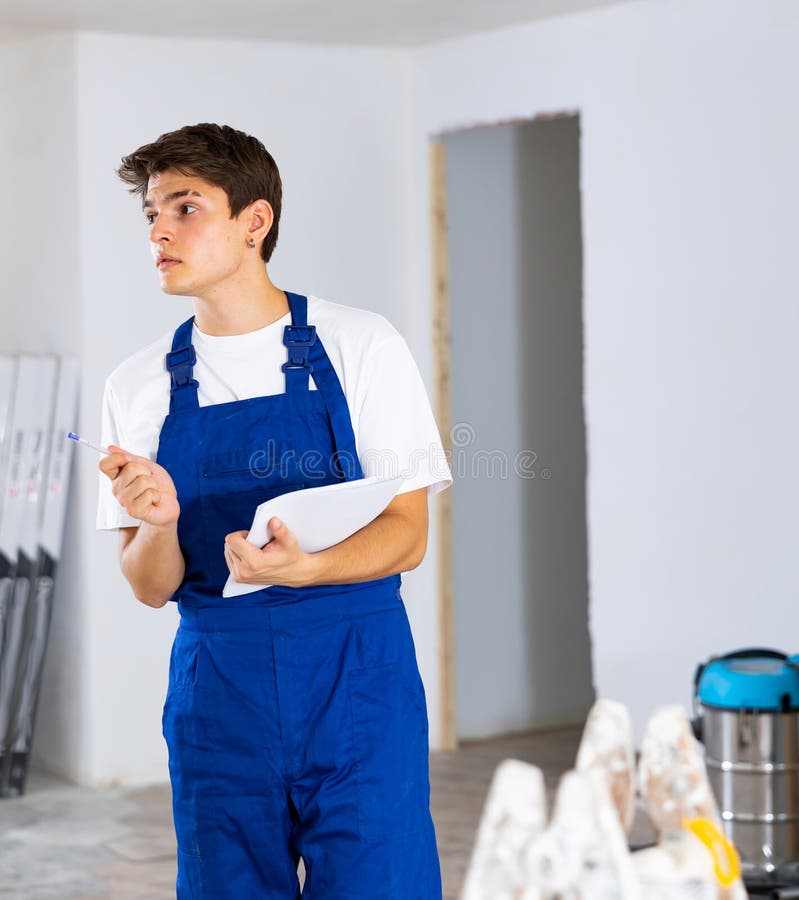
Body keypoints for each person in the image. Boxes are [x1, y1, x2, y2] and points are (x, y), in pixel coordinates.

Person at [96, 123, 452, 898]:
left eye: (185, 207)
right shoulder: (138, 385)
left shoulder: (359, 345)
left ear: (254, 222)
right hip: (221, 695)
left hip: (355, 682)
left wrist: (310, 565)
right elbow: (150, 587)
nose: (159, 229)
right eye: (151, 212)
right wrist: (158, 522)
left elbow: (407, 534)